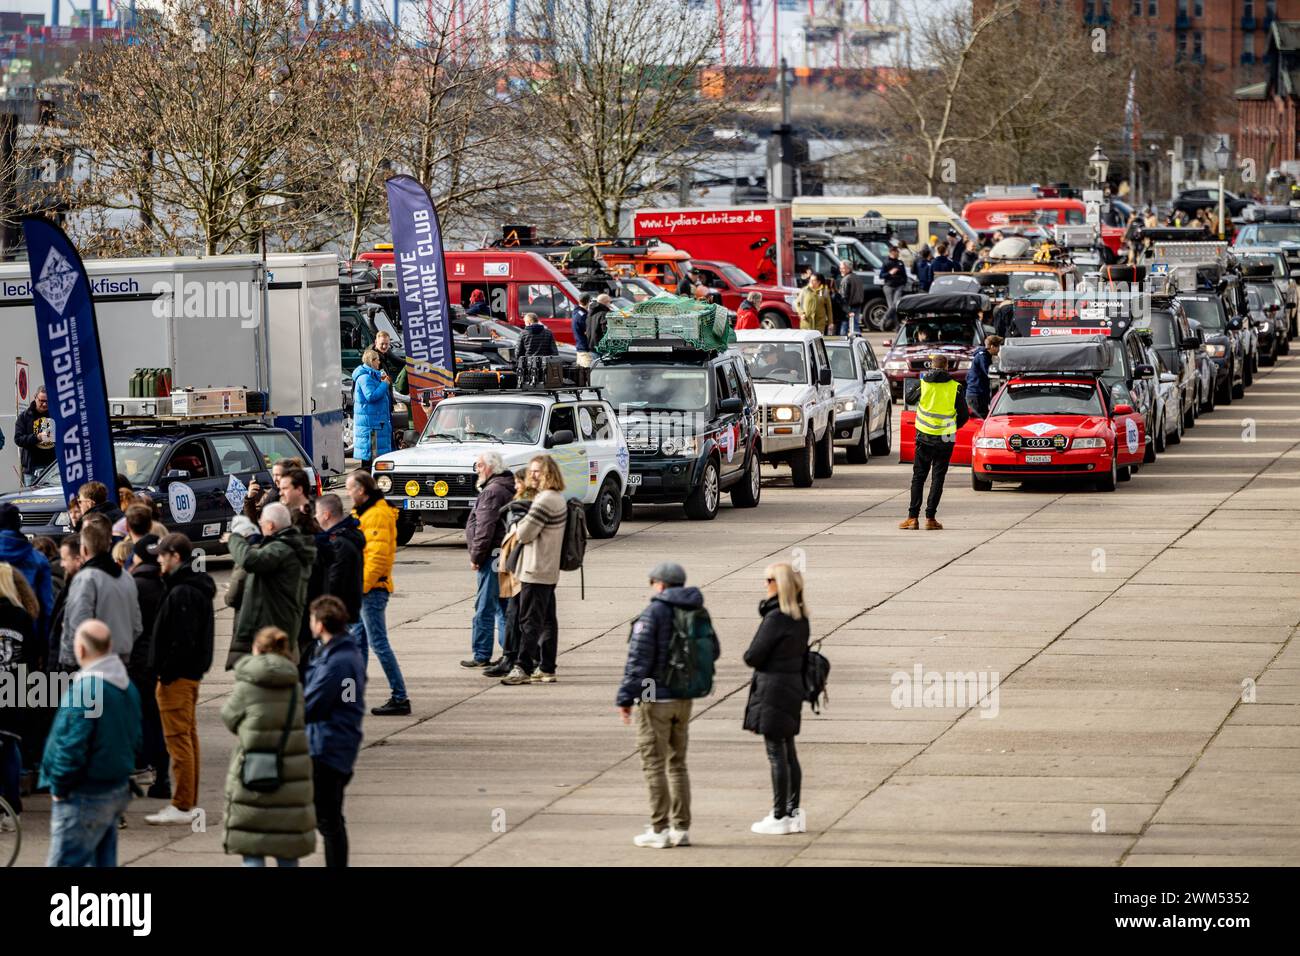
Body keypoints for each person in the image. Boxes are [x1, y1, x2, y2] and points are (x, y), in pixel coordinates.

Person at [617, 562, 717, 849]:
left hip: (653, 696)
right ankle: (681, 828)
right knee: (678, 763)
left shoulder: (654, 612)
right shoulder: (697, 609)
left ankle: (659, 829)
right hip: (683, 696)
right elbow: (714, 649)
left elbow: (638, 661)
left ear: (659, 584)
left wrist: (625, 697)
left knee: (653, 763)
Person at [41, 619, 142, 867]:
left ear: (82, 649)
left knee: (64, 861)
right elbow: (136, 736)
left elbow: (72, 742)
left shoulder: (87, 688)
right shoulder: (125, 685)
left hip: (83, 792)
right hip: (114, 787)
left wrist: (59, 786)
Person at [220, 626, 315, 867]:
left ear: (257, 649)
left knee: (253, 850)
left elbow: (229, 717)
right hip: (289, 772)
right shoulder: (295, 687)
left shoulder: (247, 686)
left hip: (254, 770)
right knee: (287, 851)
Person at [145, 533, 216, 825]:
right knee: (188, 737)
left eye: (162, 554)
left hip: (178, 678)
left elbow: (182, 641)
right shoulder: (189, 588)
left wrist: (166, 671)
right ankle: (186, 801)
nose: (158, 559)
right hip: (188, 675)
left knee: (178, 740)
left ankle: (183, 804)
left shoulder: (182, 592)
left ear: (175, 556)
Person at [744, 563, 810, 835]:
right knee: (789, 751)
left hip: (773, 689)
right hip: (792, 687)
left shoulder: (775, 618)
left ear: (779, 584)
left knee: (776, 754)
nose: (765, 584)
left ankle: (779, 814)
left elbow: (752, 655)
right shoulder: (800, 616)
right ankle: (793, 812)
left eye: (769, 579)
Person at [304, 595, 365, 867]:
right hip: (338, 741)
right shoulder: (342, 654)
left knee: (328, 820)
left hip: (328, 745)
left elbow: (313, 703)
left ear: (320, 625)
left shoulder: (336, 662)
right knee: (330, 818)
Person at [499, 455, 567, 686]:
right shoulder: (557, 498)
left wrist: (518, 525)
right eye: (532, 471)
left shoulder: (544, 500)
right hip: (548, 568)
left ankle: (523, 667)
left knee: (529, 621)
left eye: (538, 471)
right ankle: (547, 667)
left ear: (550, 473)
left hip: (535, 568)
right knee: (547, 619)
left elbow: (526, 533)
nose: (533, 475)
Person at [346, 470, 408, 715]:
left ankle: (400, 697)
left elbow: (378, 559)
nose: (348, 494)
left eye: (350, 489)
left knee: (378, 644)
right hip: (364, 589)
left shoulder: (377, 515)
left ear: (361, 491)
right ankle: (350, 697)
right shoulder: (362, 513)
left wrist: (359, 587)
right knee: (356, 644)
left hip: (371, 591)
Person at [225, 501, 316, 668]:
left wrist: (235, 538)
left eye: (262, 522)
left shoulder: (280, 550)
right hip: (283, 626)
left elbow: (250, 560)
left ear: (271, 525)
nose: (260, 525)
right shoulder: (290, 546)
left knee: (270, 677)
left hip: (274, 632)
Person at [901, 354, 969, 531]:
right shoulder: (956, 387)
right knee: (938, 477)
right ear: (947, 367)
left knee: (919, 477)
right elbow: (964, 416)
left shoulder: (923, 383)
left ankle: (912, 517)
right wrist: (951, 427)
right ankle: (930, 518)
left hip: (924, 434)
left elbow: (908, 399)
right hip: (946, 436)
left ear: (932, 366)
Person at [60, 519, 141, 666]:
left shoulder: (86, 579)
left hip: (92, 664)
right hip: (122, 662)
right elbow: (136, 626)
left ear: (83, 550)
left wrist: (70, 663)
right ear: (109, 545)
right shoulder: (127, 577)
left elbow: (78, 625)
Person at [126, 535, 170, 801]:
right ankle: (160, 776)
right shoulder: (169, 583)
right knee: (158, 720)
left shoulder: (134, 585)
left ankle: (142, 766)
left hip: (139, 662)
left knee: (141, 719)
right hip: (162, 663)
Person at [463, 452, 515, 668]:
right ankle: (509, 653)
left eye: (480, 465)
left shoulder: (492, 491)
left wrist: (476, 556)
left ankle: (482, 654)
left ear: (491, 468)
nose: (476, 469)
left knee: (485, 606)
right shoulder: (503, 486)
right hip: (503, 555)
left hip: (492, 556)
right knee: (504, 606)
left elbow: (485, 529)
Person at [484, 469, 532, 679]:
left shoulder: (531, 506)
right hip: (521, 566)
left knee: (521, 615)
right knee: (516, 614)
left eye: (519, 483)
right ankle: (515, 657)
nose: (516, 487)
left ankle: (518, 659)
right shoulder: (521, 503)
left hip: (526, 568)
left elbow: (524, 534)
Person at [0, 563, 38, 821]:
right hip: (16, 685)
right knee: (11, 744)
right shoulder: (22, 616)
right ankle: (12, 806)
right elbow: (32, 656)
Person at [308, 493, 365, 667]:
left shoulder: (340, 543)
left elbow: (335, 581)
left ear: (326, 514)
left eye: (317, 513)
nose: (316, 517)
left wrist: (318, 605)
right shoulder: (347, 537)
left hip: (338, 614)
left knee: (332, 662)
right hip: (345, 610)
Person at [0, 503, 54, 643]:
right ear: (18, 524)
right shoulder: (38, 558)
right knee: (22, 666)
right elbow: (47, 607)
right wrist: (45, 647)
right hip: (28, 636)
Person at [352, 347, 392, 471]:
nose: (379, 363)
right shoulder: (365, 378)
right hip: (371, 427)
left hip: (376, 423)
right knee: (370, 462)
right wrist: (384, 384)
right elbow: (371, 396)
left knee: (376, 461)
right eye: (377, 360)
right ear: (371, 361)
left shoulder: (372, 376)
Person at [14, 386, 55, 486]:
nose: (44, 404)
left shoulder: (55, 415)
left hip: (52, 467)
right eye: (41, 401)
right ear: (35, 398)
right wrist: (37, 437)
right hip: (32, 468)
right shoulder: (25, 416)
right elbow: (18, 439)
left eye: (47, 401)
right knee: (32, 498)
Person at [965, 334, 1003, 419]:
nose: (999, 349)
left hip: (979, 394)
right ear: (993, 346)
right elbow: (989, 372)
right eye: (998, 347)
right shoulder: (983, 357)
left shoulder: (985, 355)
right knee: (980, 420)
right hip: (976, 395)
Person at [278, 467, 319, 536]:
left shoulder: (318, 514)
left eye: (285, 488)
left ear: (299, 490)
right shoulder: (283, 514)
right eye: (280, 489)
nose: (280, 493)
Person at [373, 330, 409, 404]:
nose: (384, 346)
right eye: (382, 344)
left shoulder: (384, 353)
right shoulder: (373, 359)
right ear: (376, 342)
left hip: (385, 397)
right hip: (379, 400)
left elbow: (397, 361)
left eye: (387, 344)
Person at [878, 246, 908, 325]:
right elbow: (881, 275)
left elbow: (904, 275)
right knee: (892, 306)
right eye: (897, 252)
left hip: (899, 286)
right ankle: (897, 327)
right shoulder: (886, 262)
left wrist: (903, 283)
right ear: (892, 252)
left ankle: (883, 321)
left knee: (895, 305)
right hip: (889, 286)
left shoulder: (900, 262)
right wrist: (890, 273)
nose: (898, 253)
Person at [838, 261, 866, 334]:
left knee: (845, 326)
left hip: (849, 307)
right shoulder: (856, 277)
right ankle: (858, 341)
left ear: (848, 268)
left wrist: (845, 309)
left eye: (842, 268)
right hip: (857, 305)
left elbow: (844, 296)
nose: (840, 270)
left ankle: (842, 343)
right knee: (855, 325)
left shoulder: (846, 279)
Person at [572, 293, 591, 363]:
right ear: (589, 301)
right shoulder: (583, 315)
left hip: (580, 347)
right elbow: (587, 331)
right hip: (584, 349)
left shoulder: (576, 312)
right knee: (587, 371)